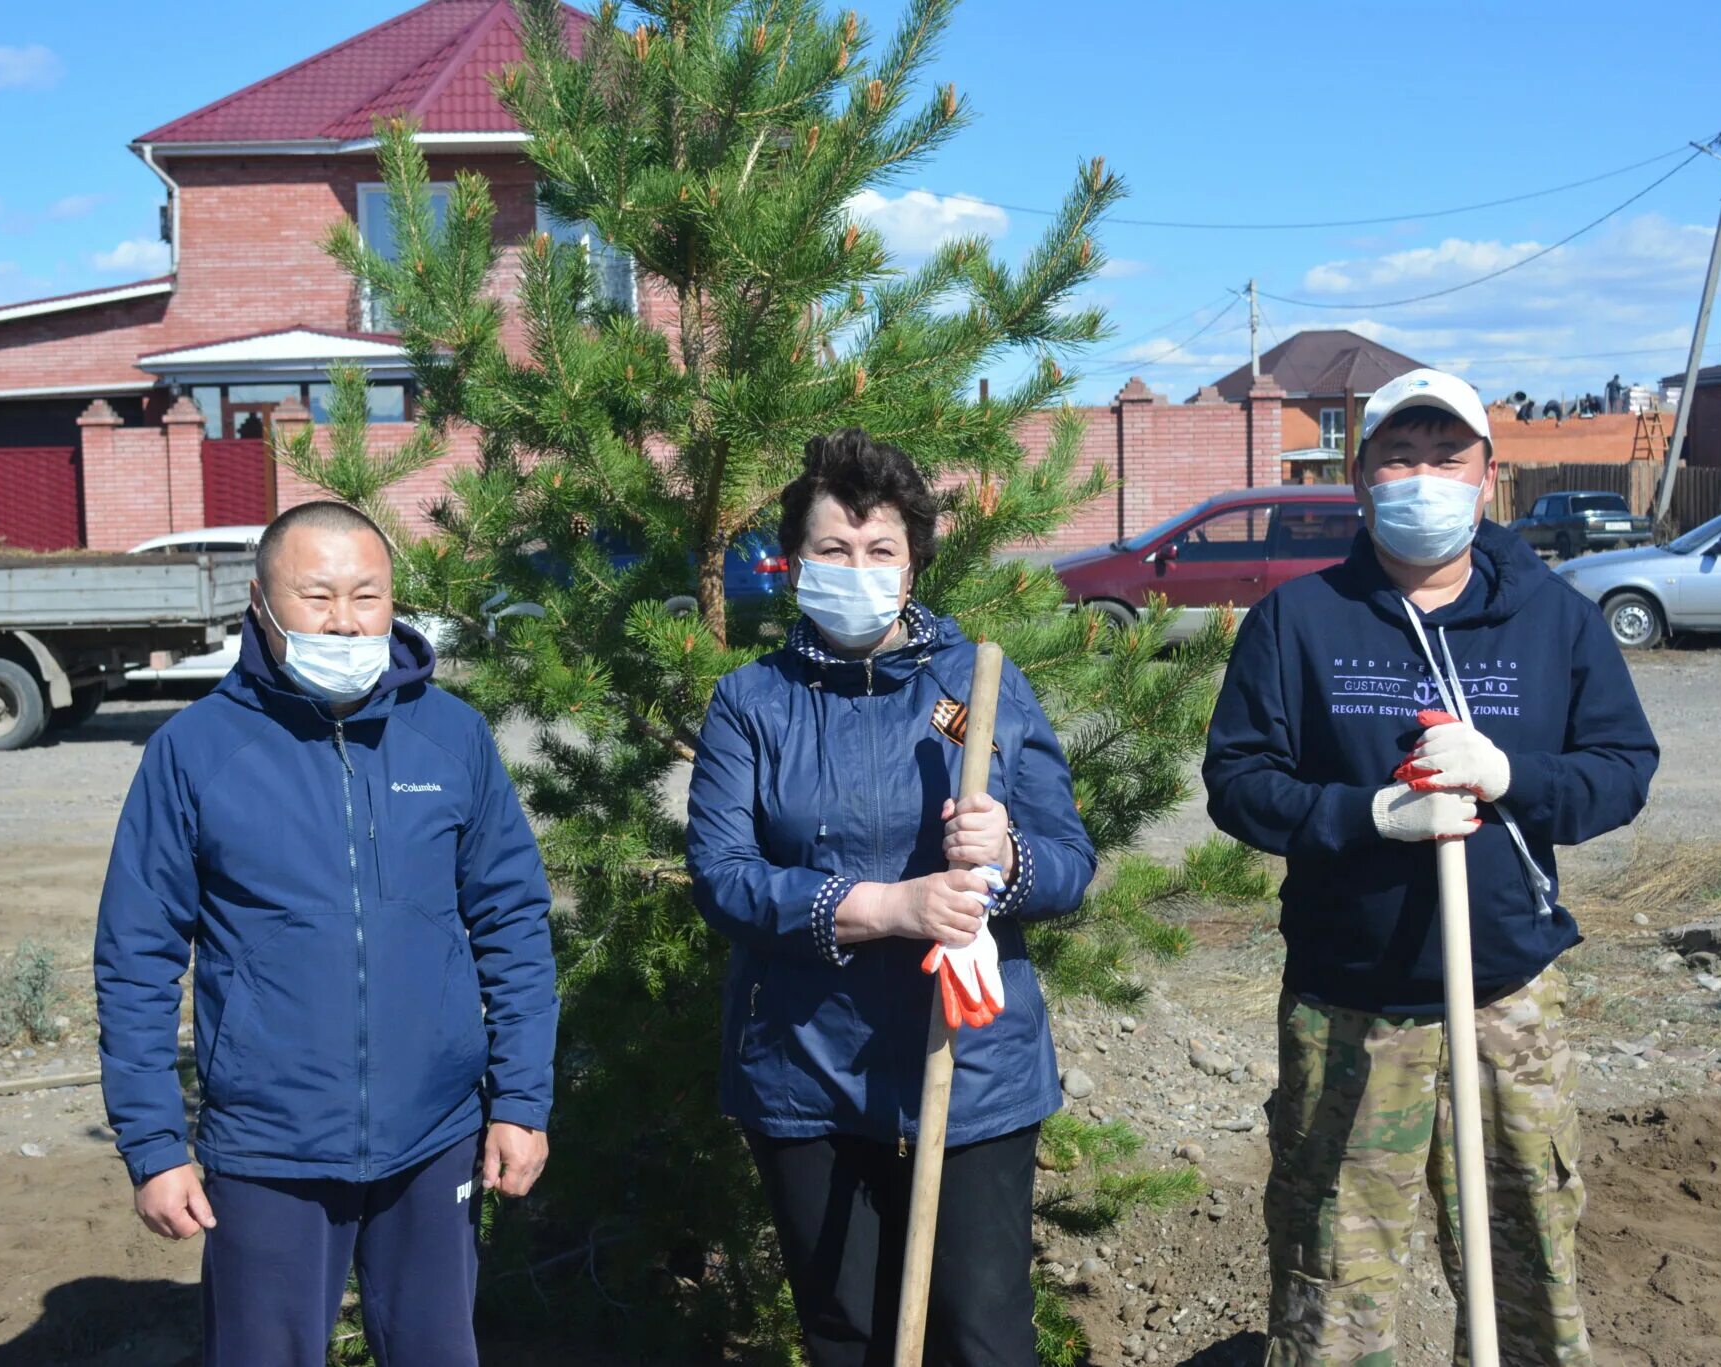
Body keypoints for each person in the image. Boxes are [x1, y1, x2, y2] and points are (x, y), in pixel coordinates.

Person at [1202, 369, 1658, 1366]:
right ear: (1360, 477)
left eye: (1443, 457)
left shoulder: (1553, 618)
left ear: (1485, 476)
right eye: (1396, 456)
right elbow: (1236, 781)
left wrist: (1511, 775)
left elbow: (1622, 769)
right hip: (1349, 1006)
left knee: (1529, 1268)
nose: (1421, 476)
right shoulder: (1300, 621)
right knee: (1333, 1280)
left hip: (1506, 1000)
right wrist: (1369, 811)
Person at [95, 500, 557, 1367]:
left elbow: (513, 923)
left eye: (367, 595)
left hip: (434, 1136)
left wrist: (522, 1101)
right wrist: (155, 1145)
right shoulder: (195, 752)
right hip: (269, 1149)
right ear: (264, 606)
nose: (344, 619)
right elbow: (136, 958)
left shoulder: (450, 737)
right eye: (317, 596)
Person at [685, 429, 1099, 1366]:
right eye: (833, 549)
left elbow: (1071, 862)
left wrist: (1009, 855)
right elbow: (724, 879)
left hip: (970, 1063)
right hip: (803, 1064)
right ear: (795, 561)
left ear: (913, 568)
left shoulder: (978, 688)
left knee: (982, 1332)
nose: (857, 569)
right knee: (848, 1333)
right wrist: (885, 907)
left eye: (881, 552)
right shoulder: (752, 702)